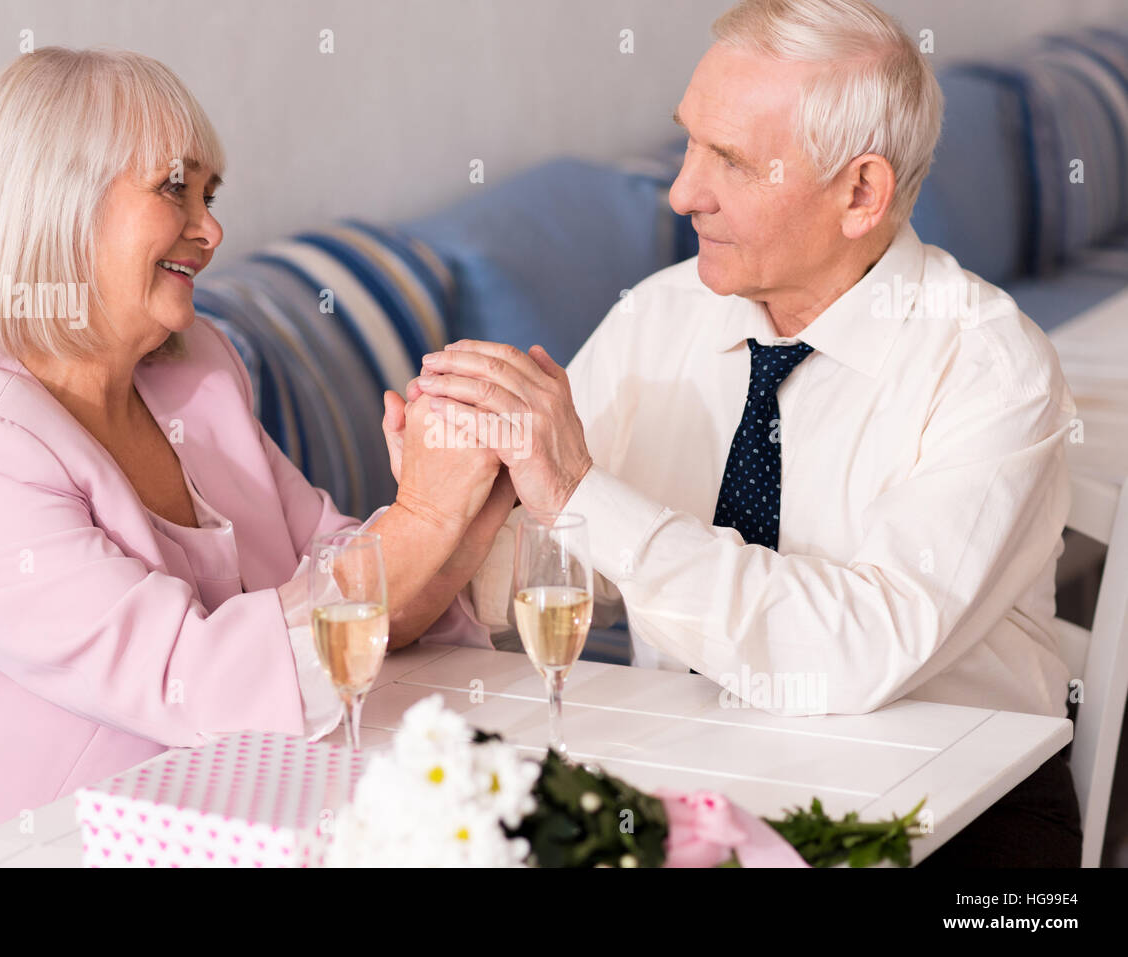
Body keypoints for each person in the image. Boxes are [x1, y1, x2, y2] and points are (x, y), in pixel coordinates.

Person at [406, 0, 1083, 865]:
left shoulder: (991, 366)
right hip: (704, 784)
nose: (684, 191)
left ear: (861, 193)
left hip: (961, 811)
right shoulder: (661, 315)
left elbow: (853, 651)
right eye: (690, 142)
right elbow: (548, 572)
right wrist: (445, 509)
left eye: (727, 159)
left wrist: (581, 490)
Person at [0, 46, 515, 867]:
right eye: (173, 188)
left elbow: (334, 567)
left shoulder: (195, 367)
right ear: (56, 202)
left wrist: (468, 509)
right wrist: (423, 517)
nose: (212, 227)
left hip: (196, 823)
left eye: (209, 194)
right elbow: (194, 676)